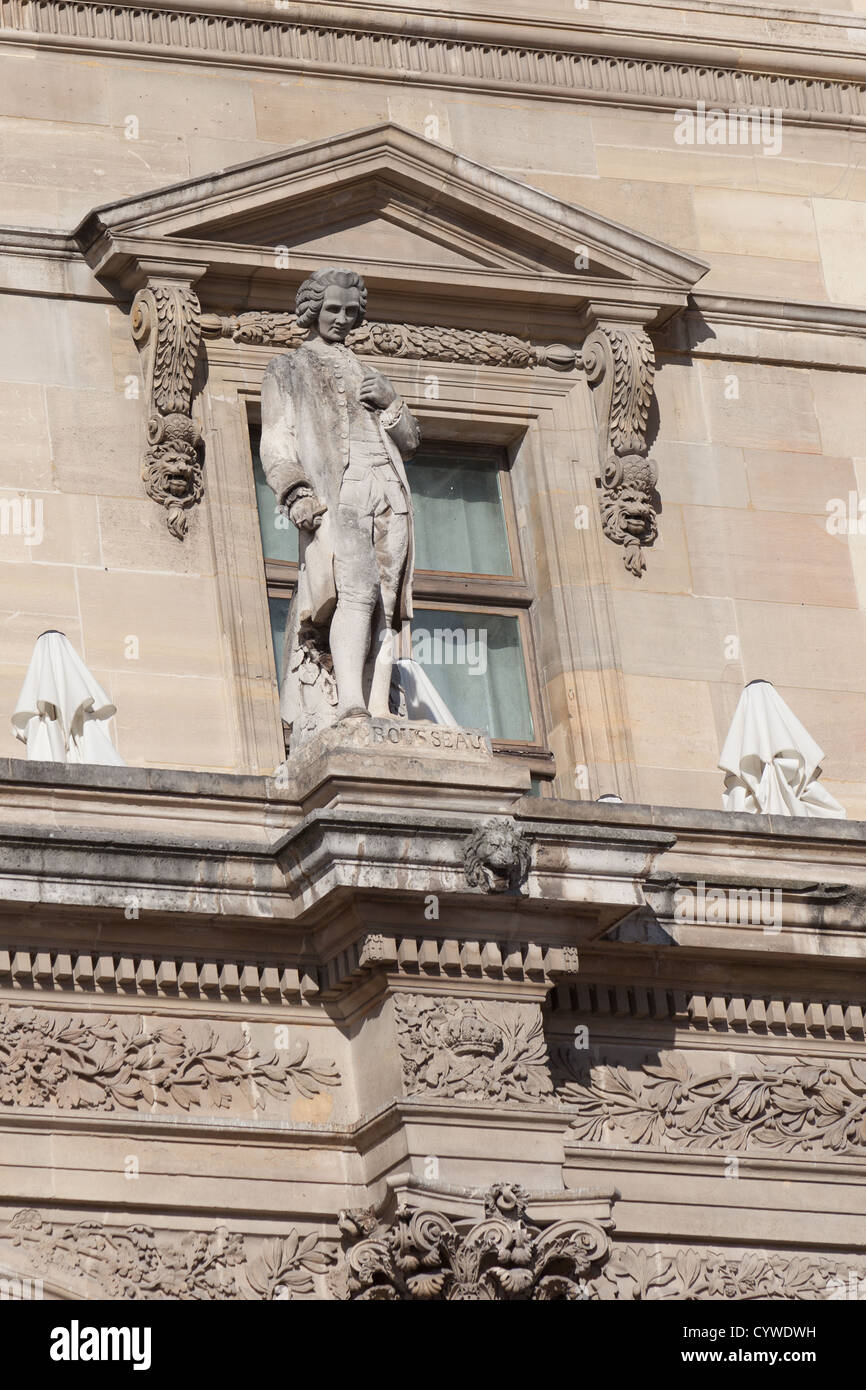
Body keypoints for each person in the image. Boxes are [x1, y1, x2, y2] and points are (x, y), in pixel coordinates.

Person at [260, 267, 420, 742]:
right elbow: (276, 443)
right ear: (313, 310)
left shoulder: (370, 373)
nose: (342, 319)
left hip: (387, 489)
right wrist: (296, 493)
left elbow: (410, 442)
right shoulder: (288, 369)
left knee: (388, 605)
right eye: (333, 309)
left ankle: (377, 703)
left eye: (351, 312)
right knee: (356, 591)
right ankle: (351, 702)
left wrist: (391, 401)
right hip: (339, 493)